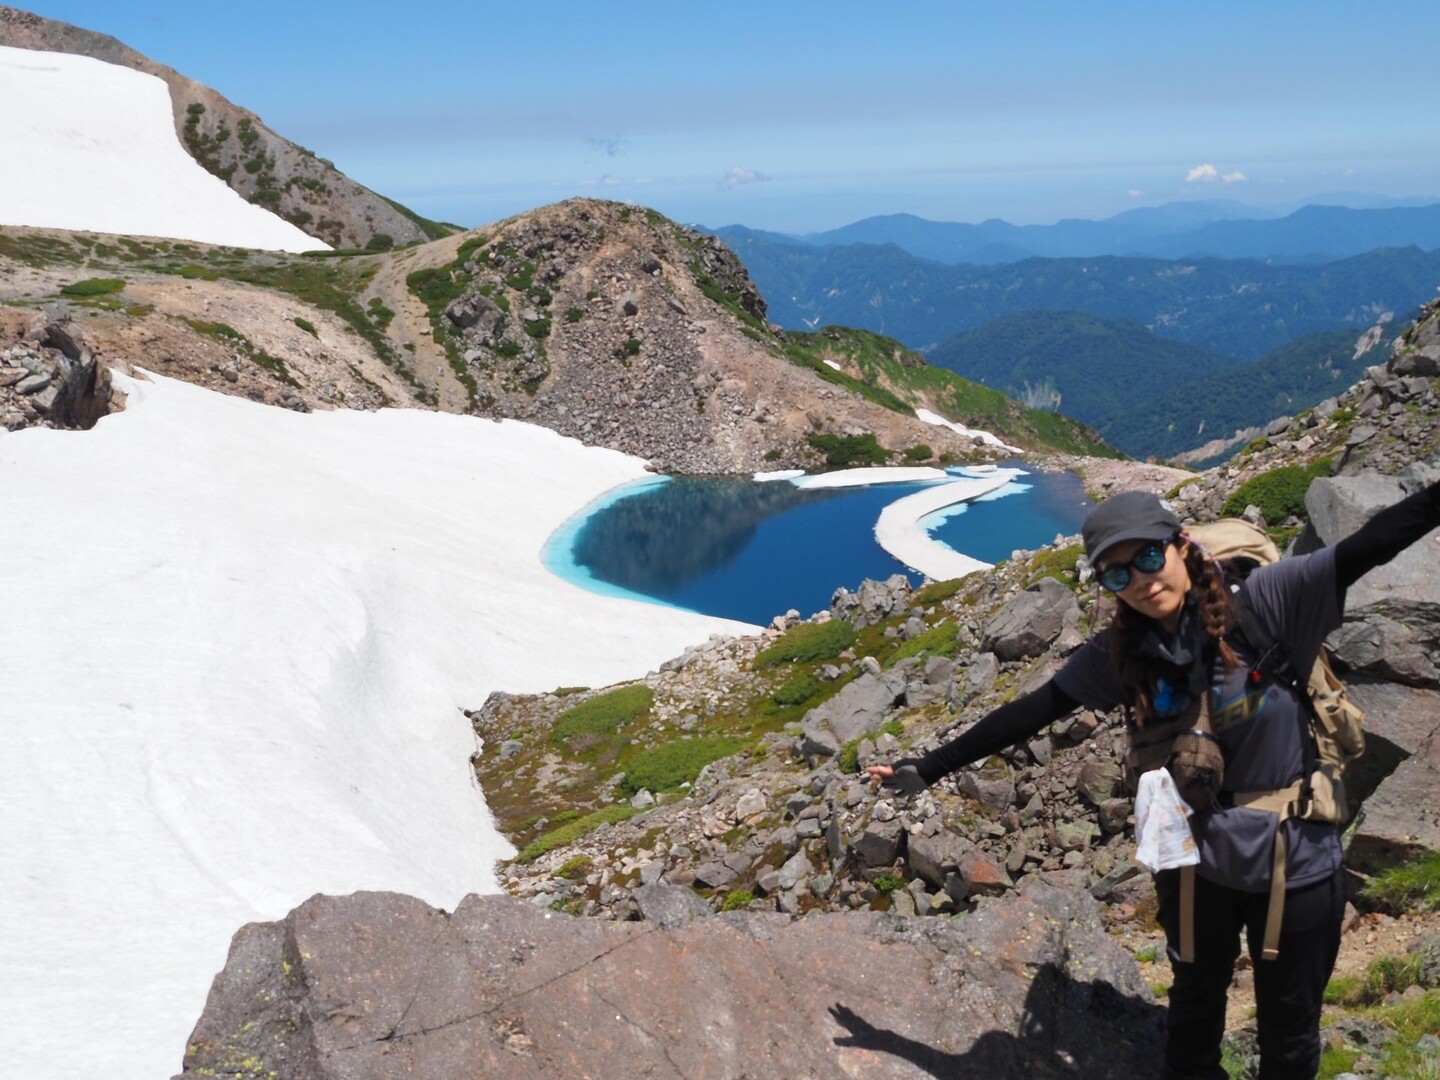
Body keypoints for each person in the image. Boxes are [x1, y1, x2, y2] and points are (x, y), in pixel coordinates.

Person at [866, 479, 1440, 1080]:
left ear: (1180, 545)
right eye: (1117, 575)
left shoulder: (1268, 602)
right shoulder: (1121, 651)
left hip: (1292, 860)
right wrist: (928, 767)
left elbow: (1369, 546)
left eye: (1146, 556)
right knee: (1192, 1021)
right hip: (1196, 867)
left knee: (1289, 1033)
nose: (1139, 580)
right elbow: (1030, 712)